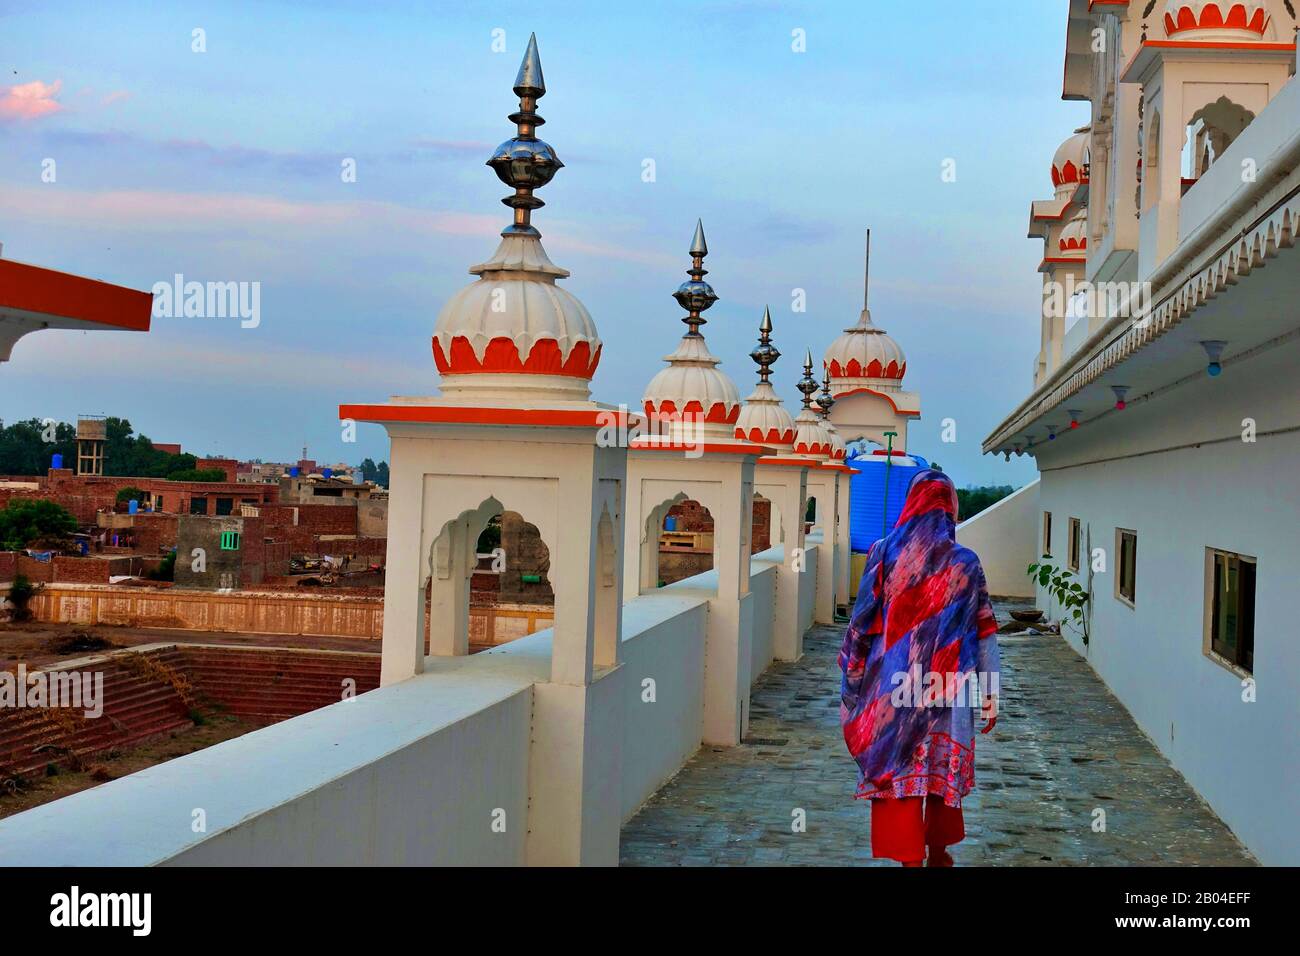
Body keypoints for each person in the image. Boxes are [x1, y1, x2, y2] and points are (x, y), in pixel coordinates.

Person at [837, 468, 1000, 867]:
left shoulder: (883, 552)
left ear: (910, 502)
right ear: (950, 507)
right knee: (938, 773)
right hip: (948, 693)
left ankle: (911, 857)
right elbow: (985, 630)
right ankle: (938, 851)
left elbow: (860, 625)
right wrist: (991, 692)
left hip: (894, 690)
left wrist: (852, 685)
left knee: (902, 773)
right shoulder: (965, 563)